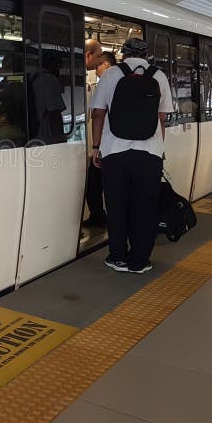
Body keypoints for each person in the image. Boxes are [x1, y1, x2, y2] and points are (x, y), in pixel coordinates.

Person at [91, 38, 173, 273]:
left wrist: (96, 147)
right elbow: (162, 118)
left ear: (123, 54)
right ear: (146, 55)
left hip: (115, 152)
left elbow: (98, 113)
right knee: (145, 207)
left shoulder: (110, 74)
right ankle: (139, 260)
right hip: (150, 153)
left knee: (116, 205)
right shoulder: (159, 76)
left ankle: (118, 257)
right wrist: (158, 150)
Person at [84, 51, 117, 226]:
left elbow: (98, 115)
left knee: (95, 186)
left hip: (107, 145)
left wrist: (96, 147)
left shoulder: (106, 83)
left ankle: (101, 217)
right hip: (115, 144)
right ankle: (100, 216)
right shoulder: (120, 82)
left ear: (107, 65)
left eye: (98, 65)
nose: (95, 69)